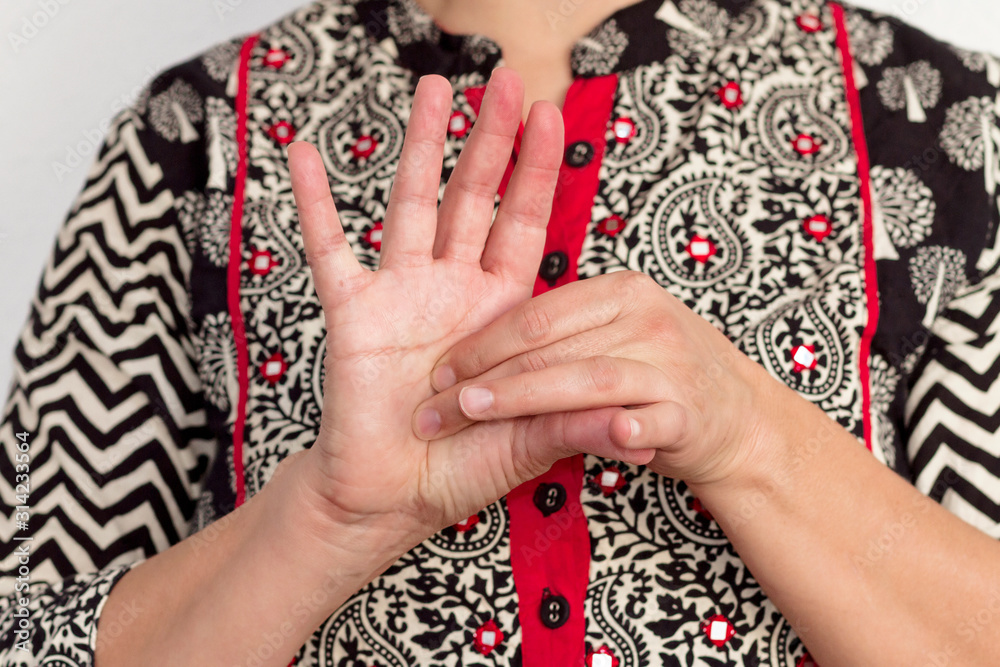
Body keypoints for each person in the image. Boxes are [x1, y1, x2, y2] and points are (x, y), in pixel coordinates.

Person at [2, 0, 999, 664]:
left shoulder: (943, 117)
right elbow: (31, 637)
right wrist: (324, 519)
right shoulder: (198, 130)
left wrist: (753, 440)